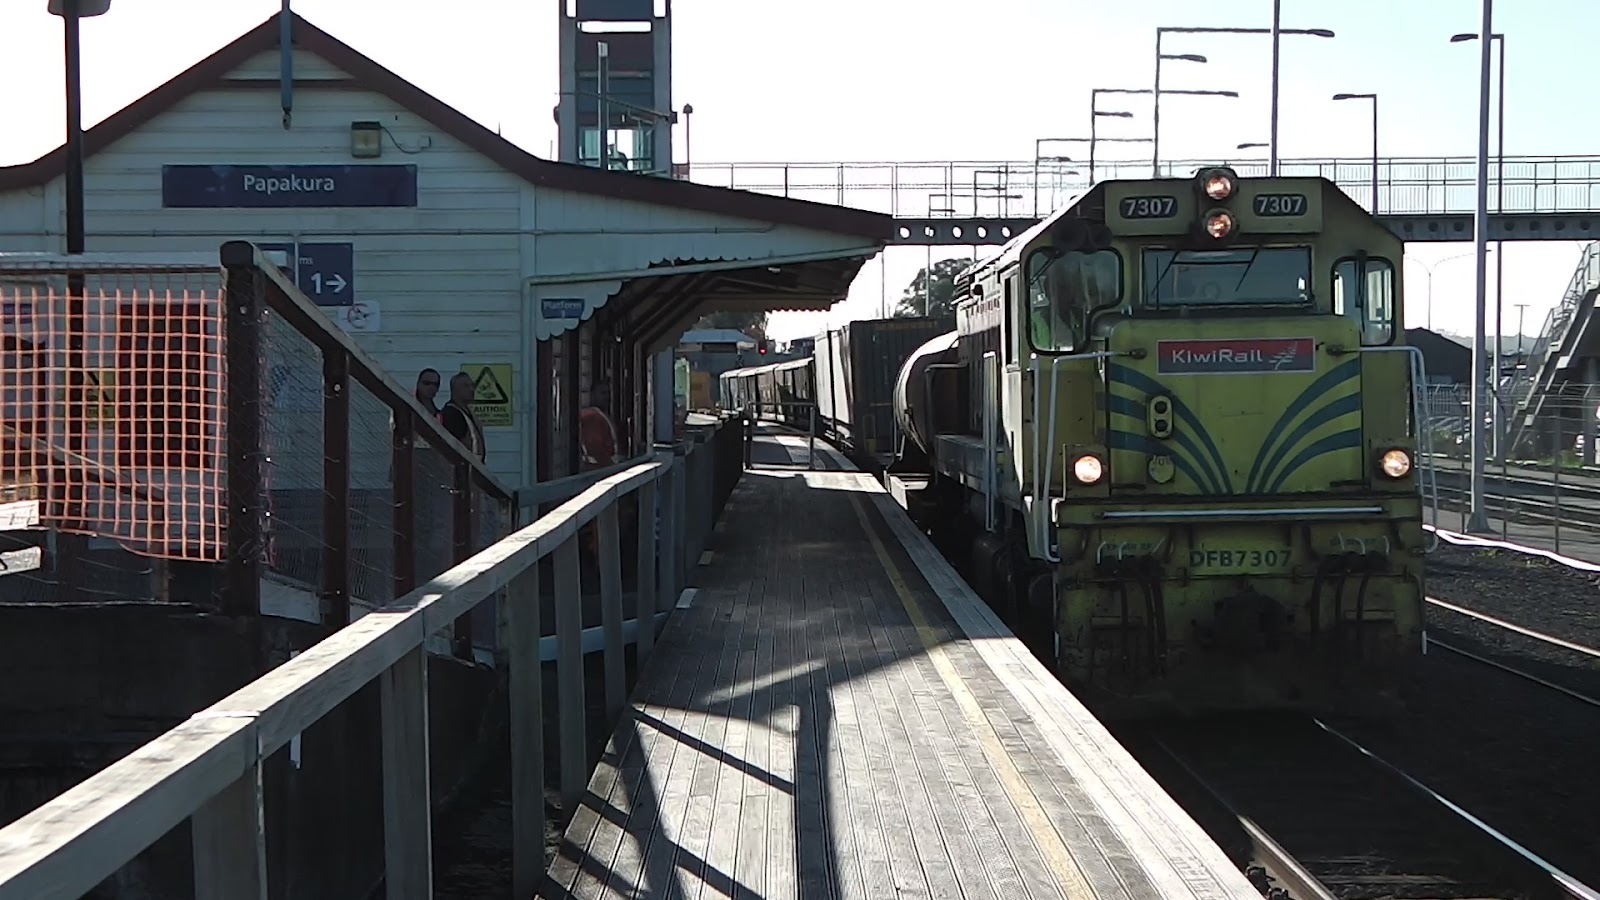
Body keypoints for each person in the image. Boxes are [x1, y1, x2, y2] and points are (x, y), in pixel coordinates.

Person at [438, 372, 485, 460]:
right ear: (455, 390)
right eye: (466, 386)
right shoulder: (451, 414)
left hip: (475, 468)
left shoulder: (469, 412)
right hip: (462, 468)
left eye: (472, 386)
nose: (471, 389)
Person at [578, 381, 618, 471]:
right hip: (597, 470)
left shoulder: (601, 415)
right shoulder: (592, 416)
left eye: (608, 393)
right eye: (602, 393)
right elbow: (594, 445)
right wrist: (611, 466)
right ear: (592, 395)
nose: (607, 397)